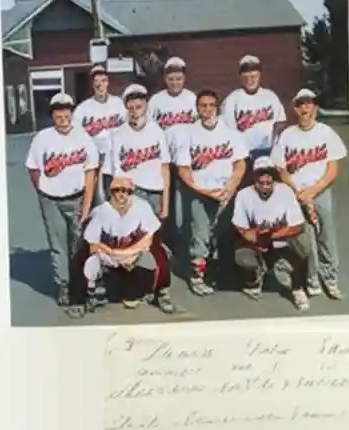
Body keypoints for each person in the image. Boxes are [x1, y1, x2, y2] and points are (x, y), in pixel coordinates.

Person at [25, 91, 100, 307]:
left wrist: (86, 207)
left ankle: (81, 285)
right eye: (59, 117)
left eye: (66, 116)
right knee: (58, 245)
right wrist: (42, 190)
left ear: (72, 114)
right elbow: (32, 168)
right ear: (52, 116)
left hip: (76, 198)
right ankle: (63, 286)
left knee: (78, 244)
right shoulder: (42, 138)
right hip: (51, 201)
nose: (63, 121)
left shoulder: (83, 137)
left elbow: (90, 174)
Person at [272, 88, 348, 299]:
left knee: (326, 235)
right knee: (306, 239)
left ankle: (330, 277)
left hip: (320, 190)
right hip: (296, 194)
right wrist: (299, 193)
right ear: (295, 109)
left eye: (308, 103)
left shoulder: (325, 132)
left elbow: (333, 167)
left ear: (315, 107)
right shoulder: (287, 135)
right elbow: (281, 169)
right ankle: (312, 277)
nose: (304, 108)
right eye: (300, 104)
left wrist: (313, 191)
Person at [173, 89, 248, 296]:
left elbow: (240, 164)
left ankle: (220, 274)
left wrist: (230, 189)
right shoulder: (188, 133)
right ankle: (196, 276)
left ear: (217, 107)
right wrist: (203, 190)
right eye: (202, 106)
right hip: (200, 193)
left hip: (225, 192)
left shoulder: (230, 132)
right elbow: (183, 170)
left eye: (210, 106)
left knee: (223, 235)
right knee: (201, 235)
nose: (207, 110)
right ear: (197, 108)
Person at [77, 175, 172, 317]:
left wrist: (129, 254)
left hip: (134, 254)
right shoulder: (101, 211)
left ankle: (161, 292)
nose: (122, 194)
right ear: (111, 192)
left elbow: (149, 239)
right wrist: (113, 254)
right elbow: (92, 245)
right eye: (117, 190)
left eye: (127, 191)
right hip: (110, 254)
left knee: (159, 254)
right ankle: (89, 292)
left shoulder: (142, 207)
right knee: (85, 257)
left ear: (132, 192)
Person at [231, 157, 314, 310]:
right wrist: (256, 238)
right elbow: (242, 229)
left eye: (268, 181)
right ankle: (255, 277)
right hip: (258, 242)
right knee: (242, 256)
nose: (264, 186)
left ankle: (297, 288)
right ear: (254, 178)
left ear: (273, 178)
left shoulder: (285, 191)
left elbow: (297, 225)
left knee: (304, 243)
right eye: (260, 181)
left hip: (280, 238)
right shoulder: (243, 195)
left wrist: (271, 236)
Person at [149, 56, 197, 251]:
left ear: (184, 78)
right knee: (165, 204)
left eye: (178, 78)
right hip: (164, 161)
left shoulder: (192, 98)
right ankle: (168, 245)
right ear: (165, 78)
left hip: (189, 160)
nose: (175, 82)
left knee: (188, 204)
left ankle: (188, 242)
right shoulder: (157, 100)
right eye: (171, 78)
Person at [106, 83, 172, 221]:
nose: (135, 112)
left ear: (146, 106)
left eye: (138, 107)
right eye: (131, 108)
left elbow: (165, 169)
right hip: (132, 193)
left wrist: (165, 206)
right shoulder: (118, 134)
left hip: (155, 193)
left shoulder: (157, 130)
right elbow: (116, 174)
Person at [72, 64, 127, 201]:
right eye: (96, 82)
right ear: (92, 84)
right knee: (97, 200)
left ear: (107, 82)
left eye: (103, 81)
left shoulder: (119, 104)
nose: (99, 85)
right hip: (95, 162)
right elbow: (75, 136)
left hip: (118, 159)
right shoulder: (82, 109)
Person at [220, 55, 286, 168]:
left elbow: (280, 122)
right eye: (246, 77)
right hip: (245, 154)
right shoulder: (232, 100)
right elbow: (228, 132)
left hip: (269, 151)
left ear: (260, 75)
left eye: (254, 76)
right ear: (240, 77)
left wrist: (275, 146)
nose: (250, 80)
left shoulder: (270, 96)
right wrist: (240, 152)